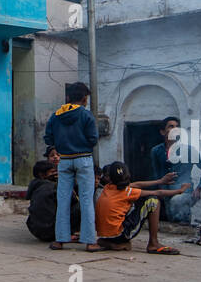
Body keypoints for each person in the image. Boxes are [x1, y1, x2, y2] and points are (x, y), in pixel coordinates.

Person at [44, 82, 100, 251]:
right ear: (84, 99)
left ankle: (60, 239)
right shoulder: (86, 115)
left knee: (63, 199)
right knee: (86, 199)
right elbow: (93, 139)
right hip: (83, 158)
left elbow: (48, 138)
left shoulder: (56, 115)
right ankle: (90, 241)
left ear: (68, 97)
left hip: (65, 159)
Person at [95, 161, 189, 253]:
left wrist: (160, 181)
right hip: (119, 235)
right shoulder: (127, 192)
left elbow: (137, 185)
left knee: (137, 202)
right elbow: (157, 193)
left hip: (104, 235)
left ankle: (111, 243)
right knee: (153, 201)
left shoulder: (108, 187)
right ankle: (153, 243)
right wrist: (179, 191)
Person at [149, 116, 201, 224]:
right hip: (166, 194)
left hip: (185, 193)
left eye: (177, 127)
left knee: (178, 206)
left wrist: (199, 189)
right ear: (162, 132)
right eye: (171, 126)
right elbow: (156, 173)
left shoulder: (189, 150)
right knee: (171, 225)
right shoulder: (156, 151)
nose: (175, 129)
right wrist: (159, 191)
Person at [25, 160, 80, 243]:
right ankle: (66, 235)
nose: (56, 174)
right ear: (42, 175)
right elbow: (74, 200)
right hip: (51, 231)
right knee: (82, 206)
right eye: (52, 172)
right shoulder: (52, 186)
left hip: (35, 230)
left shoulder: (35, 185)